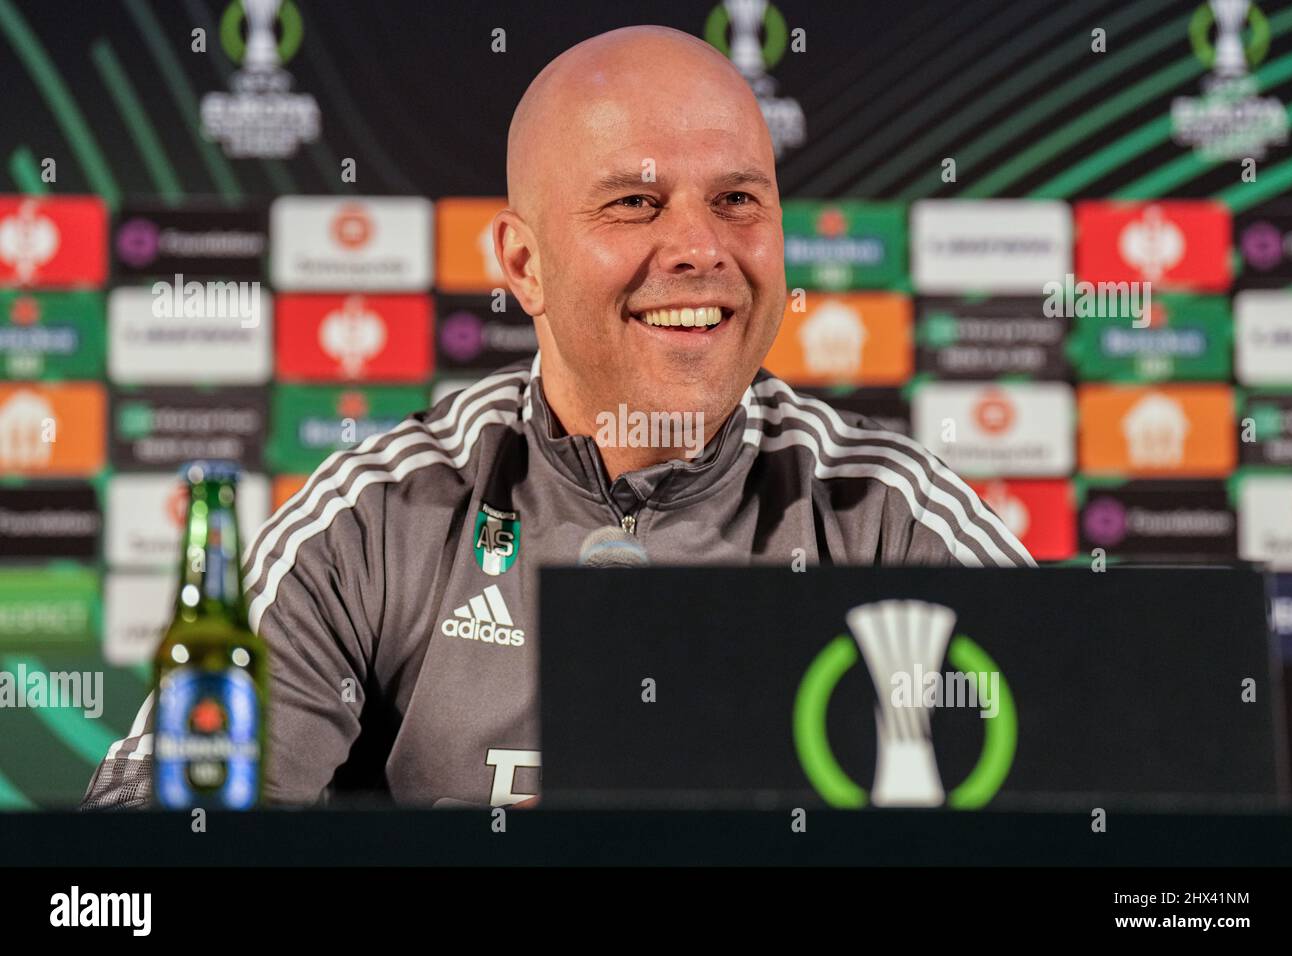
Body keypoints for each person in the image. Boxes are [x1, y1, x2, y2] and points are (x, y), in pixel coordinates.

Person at [82, 25, 1031, 810]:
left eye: (738, 199)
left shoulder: (889, 515)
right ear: (523, 266)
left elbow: (1118, 822)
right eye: (636, 203)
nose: (700, 247)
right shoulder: (377, 521)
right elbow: (143, 852)